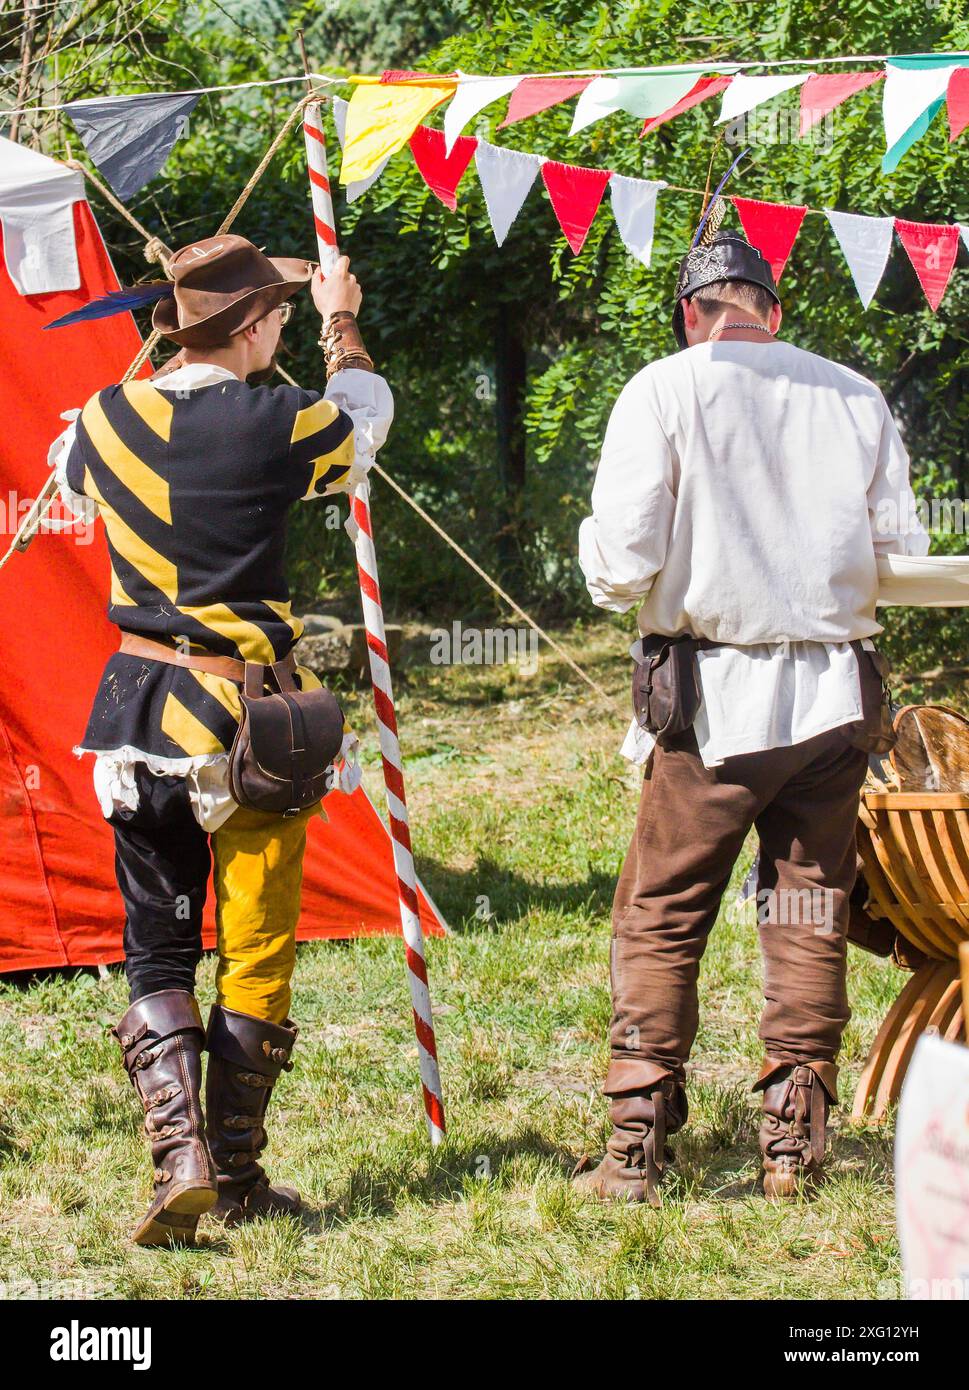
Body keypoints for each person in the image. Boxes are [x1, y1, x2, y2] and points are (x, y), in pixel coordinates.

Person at [574, 224, 928, 1205]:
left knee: (661, 913)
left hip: (715, 706)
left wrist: (595, 546)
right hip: (831, 702)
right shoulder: (853, 393)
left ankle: (637, 1144)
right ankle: (792, 1145)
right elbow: (904, 548)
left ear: (695, 315)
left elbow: (620, 565)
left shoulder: (666, 386)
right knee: (808, 910)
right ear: (772, 311)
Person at [50, 235, 392, 1244]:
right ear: (249, 328)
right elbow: (367, 424)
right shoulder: (289, 419)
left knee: (156, 941)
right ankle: (234, 1171)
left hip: (136, 719)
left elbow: (73, 479)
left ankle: (180, 1157)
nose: (281, 334)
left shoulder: (102, 422)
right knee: (255, 948)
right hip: (247, 726)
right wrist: (342, 318)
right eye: (277, 321)